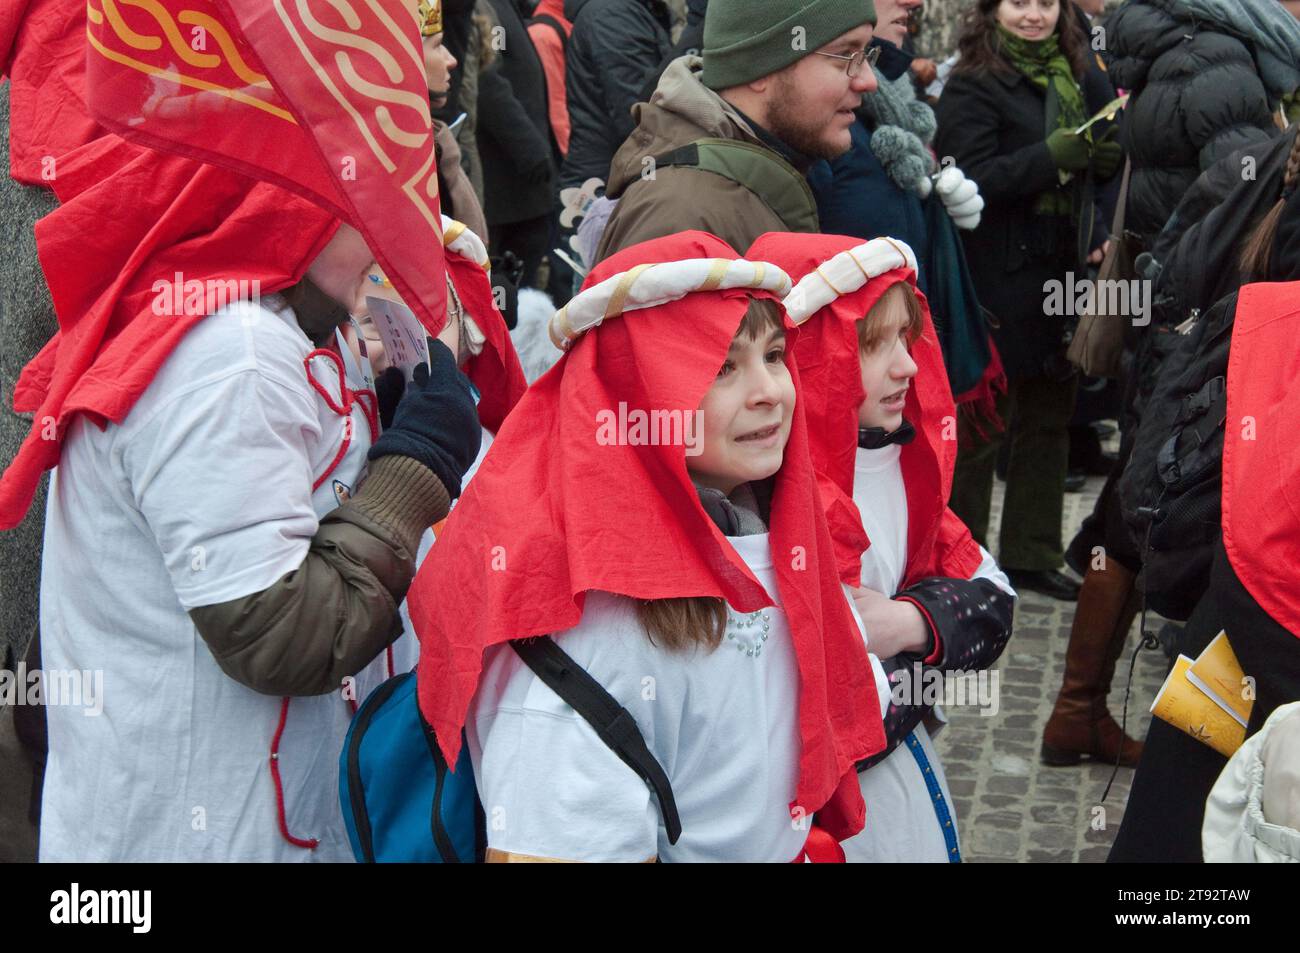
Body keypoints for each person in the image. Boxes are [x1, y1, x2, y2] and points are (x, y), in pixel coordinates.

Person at [2, 0, 484, 861]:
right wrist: (417, 463)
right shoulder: (230, 353)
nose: (403, 221)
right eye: (374, 189)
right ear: (294, 194)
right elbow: (284, 631)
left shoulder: (284, 322)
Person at [406, 231, 886, 862]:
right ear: (636, 396)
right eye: (721, 367)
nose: (770, 388)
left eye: (774, 355)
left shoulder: (775, 546)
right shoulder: (592, 639)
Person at [753, 231, 1016, 862]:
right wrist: (936, 648)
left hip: (904, 796)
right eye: (874, 344)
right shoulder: (773, 502)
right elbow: (838, 721)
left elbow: (997, 603)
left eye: (906, 336)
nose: (909, 365)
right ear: (815, 353)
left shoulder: (894, 461)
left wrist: (902, 621)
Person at [935, 0, 1119, 602]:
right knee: (985, 423)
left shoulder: (1077, 72)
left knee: (1049, 414)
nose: (1033, 15)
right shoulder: (974, 81)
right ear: (993, 11)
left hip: (1061, 269)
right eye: (1019, 3)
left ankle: (1032, 553)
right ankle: (960, 558)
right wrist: (1051, 158)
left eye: (1045, 3)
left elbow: (1103, 149)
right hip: (998, 274)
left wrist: (1101, 160)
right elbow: (969, 176)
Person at [593, 0, 880, 260]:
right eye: (845, 55)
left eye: (867, 54)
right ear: (762, 69)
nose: (869, 81)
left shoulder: (772, 176)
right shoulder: (679, 218)